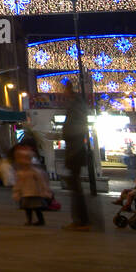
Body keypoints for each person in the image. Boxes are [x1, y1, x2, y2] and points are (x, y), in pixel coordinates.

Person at [60, 81, 91, 230]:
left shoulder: (75, 106)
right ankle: (79, 220)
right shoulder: (76, 106)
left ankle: (81, 221)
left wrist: (64, 134)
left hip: (75, 151)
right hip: (75, 150)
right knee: (75, 186)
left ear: (69, 90)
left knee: (75, 187)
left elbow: (75, 129)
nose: (62, 94)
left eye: (64, 90)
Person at [11, 143, 52, 226]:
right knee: (29, 208)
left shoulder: (32, 172)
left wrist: (45, 191)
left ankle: (38, 220)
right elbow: (18, 184)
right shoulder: (23, 172)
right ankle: (31, 220)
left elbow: (41, 182)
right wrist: (17, 192)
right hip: (28, 193)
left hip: (33, 193)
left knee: (35, 208)